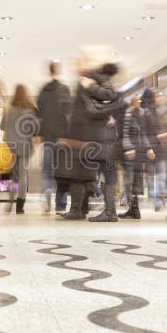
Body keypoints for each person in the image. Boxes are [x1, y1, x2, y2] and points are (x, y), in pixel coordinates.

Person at [56, 47, 126, 222]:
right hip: (85, 138)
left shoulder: (94, 76)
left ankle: (109, 212)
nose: (75, 66)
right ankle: (78, 210)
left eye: (78, 62)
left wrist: (91, 86)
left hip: (100, 137)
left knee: (106, 172)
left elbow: (111, 94)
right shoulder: (81, 80)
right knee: (78, 174)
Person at [36, 61, 71, 213]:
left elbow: (39, 117)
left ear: (49, 72)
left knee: (46, 170)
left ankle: (46, 189)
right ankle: (60, 205)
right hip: (62, 138)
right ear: (58, 71)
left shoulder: (43, 90)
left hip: (48, 137)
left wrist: (38, 134)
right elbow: (68, 114)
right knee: (61, 171)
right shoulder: (64, 89)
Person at [1, 84, 39, 214]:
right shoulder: (30, 110)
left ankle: (9, 201)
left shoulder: (7, 108)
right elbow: (34, 130)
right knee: (23, 175)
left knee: (11, 175)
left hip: (10, 146)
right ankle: (20, 205)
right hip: (25, 146)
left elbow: (2, 127)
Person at [120, 96, 152, 220]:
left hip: (138, 153)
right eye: (137, 101)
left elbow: (143, 134)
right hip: (130, 152)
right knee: (129, 180)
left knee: (136, 180)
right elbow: (125, 134)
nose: (139, 102)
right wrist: (128, 148)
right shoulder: (128, 116)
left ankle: (135, 209)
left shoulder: (140, 117)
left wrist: (148, 148)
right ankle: (131, 206)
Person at [141, 89, 167, 211]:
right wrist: (148, 148)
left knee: (162, 176)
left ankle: (159, 198)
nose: (160, 99)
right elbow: (143, 133)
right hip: (151, 149)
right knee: (151, 176)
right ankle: (156, 199)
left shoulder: (162, 112)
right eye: (158, 96)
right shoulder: (146, 113)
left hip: (162, 149)